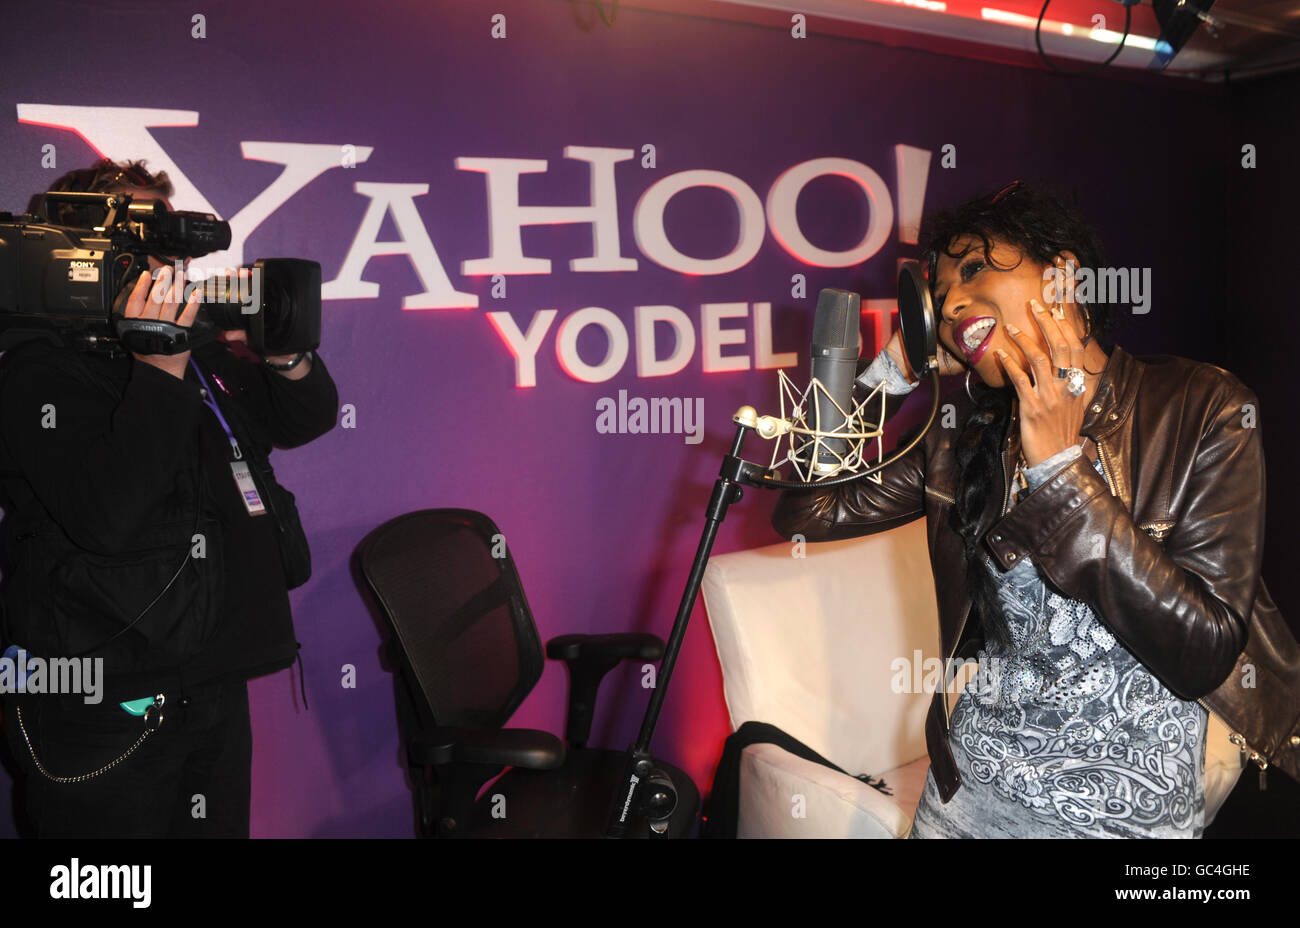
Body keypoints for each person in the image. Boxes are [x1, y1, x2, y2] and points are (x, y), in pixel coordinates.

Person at [772, 180, 1299, 838]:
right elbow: (807, 511)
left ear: (1062, 276)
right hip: (963, 801)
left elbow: (1202, 652)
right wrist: (888, 376)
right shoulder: (964, 439)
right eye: (939, 296)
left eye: (972, 270)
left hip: (1125, 824)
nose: (953, 300)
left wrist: (1060, 472)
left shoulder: (1200, 408)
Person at [0, 158, 339, 837]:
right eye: (139, 237)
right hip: (103, 703)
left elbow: (301, 419)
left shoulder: (198, 350)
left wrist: (282, 355)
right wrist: (158, 367)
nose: (160, 260)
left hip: (209, 681)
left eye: (165, 240)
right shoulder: (33, 365)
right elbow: (107, 514)